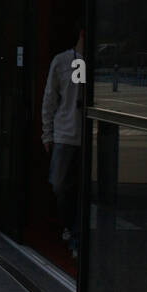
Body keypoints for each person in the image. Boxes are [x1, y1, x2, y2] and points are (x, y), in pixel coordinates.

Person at [42, 21, 84, 259]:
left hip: (87, 137)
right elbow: (50, 99)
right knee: (59, 184)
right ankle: (69, 227)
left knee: (81, 189)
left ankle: (77, 235)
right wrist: (47, 133)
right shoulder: (61, 62)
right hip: (65, 135)